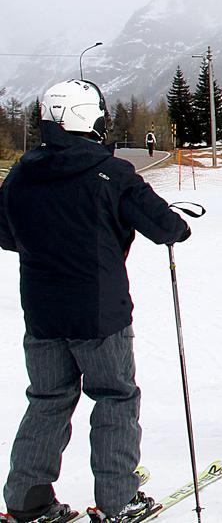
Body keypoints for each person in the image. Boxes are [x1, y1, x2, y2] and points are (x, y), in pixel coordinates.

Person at [0, 80, 191, 523]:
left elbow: (7, 234)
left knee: (47, 399)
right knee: (114, 397)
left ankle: (27, 500)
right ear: (90, 118)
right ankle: (118, 499)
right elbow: (165, 227)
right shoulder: (111, 172)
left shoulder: (22, 173)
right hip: (99, 311)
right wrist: (178, 226)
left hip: (43, 311)